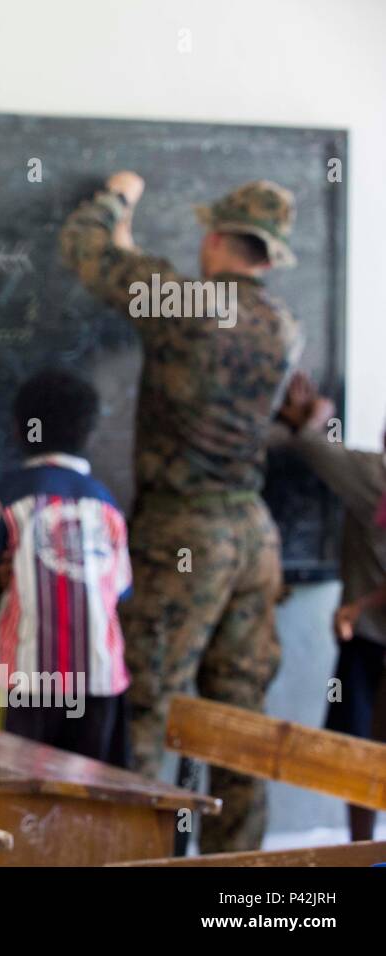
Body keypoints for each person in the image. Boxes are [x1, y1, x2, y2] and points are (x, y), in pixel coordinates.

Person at [59, 172, 302, 851]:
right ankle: (240, 887)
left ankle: (140, 859)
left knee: (146, 712)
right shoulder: (284, 324)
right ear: (270, 255)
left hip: (182, 532)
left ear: (216, 238)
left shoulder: (184, 301)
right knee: (240, 720)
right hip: (254, 534)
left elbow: (84, 247)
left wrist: (119, 198)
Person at [0, 370, 132, 766]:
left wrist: (5, 580)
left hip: (31, 682)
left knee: (23, 797)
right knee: (94, 800)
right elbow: (116, 592)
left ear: (20, 430)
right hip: (101, 682)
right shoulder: (107, 505)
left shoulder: (1, 497)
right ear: (89, 433)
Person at [275, 372, 386, 841]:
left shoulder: (374, 477)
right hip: (368, 633)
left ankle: (362, 850)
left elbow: (314, 450)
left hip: (370, 637)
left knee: (358, 751)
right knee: (359, 751)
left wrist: (314, 419)